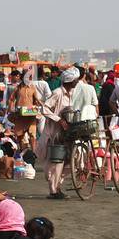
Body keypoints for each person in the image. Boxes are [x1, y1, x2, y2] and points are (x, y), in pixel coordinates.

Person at [41, 68, 75, 198]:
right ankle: (54, 190)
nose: (76, 82)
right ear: (69, 81)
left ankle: (57, 186)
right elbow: (45, 108)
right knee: (56, 161)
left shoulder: (71, 93)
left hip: (67, 132)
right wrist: (58, 119)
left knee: (69, 160)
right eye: (74, 80)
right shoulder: (57, 92)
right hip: (55, 132)